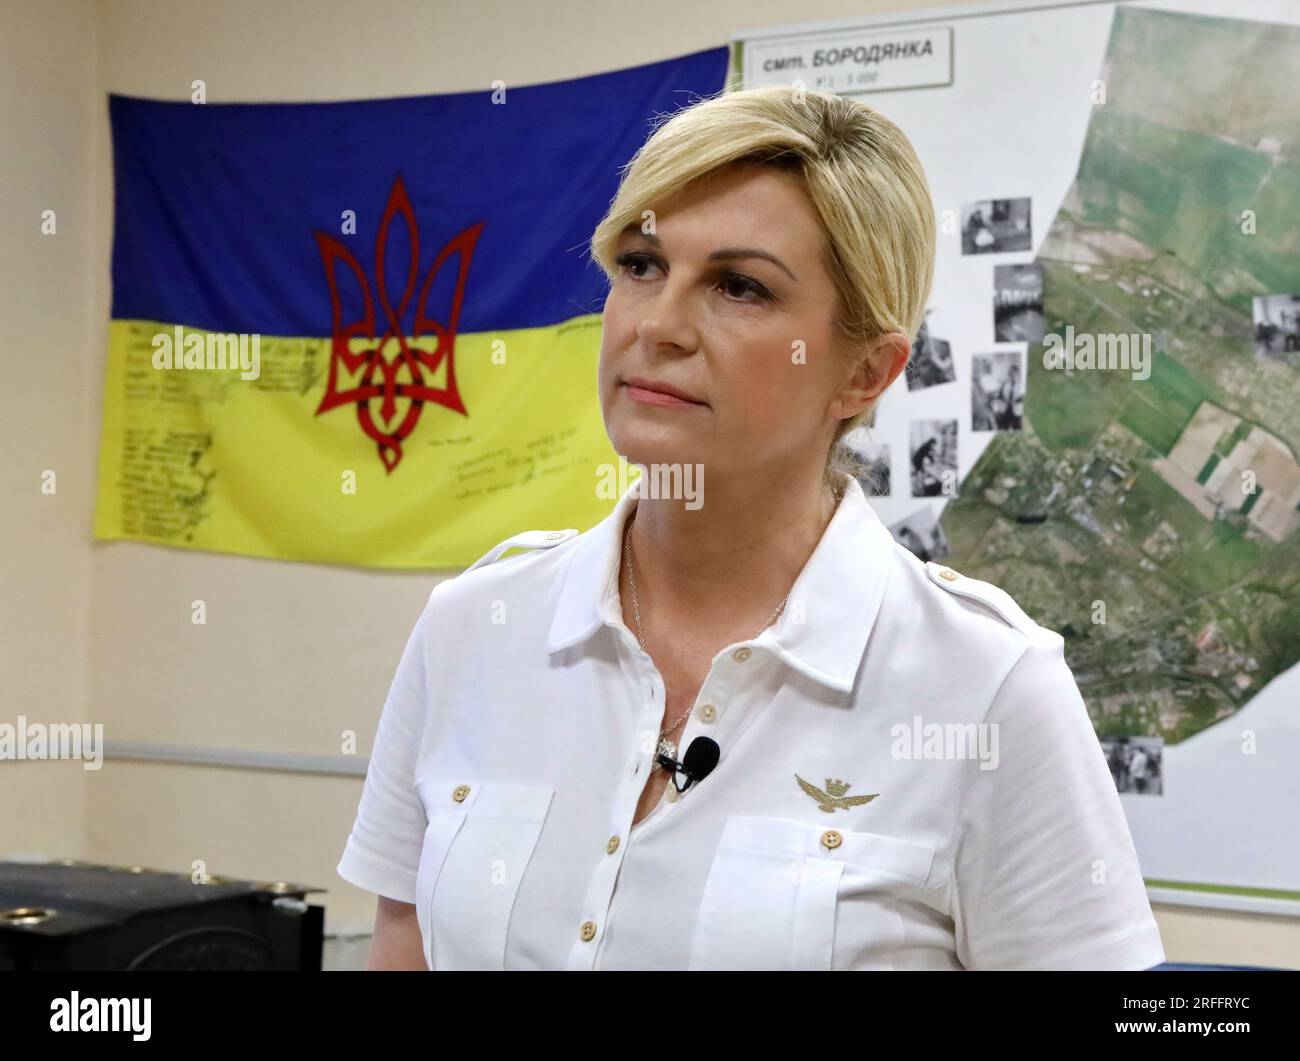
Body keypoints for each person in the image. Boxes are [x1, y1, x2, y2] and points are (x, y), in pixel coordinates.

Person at [337, 84, 1166, 971]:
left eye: (739, 287)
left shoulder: (988, 685)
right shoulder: (475, 627)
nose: (658, 326)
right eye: (642, 264)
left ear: (864, 372)